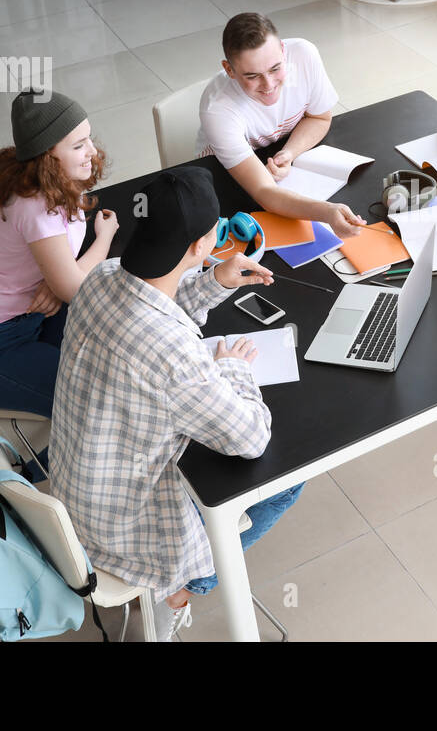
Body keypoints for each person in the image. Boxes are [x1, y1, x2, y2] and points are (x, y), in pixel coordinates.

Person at [49, 166, 303, 641]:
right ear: (200, 245)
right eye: (214, 232)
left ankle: (179, 584)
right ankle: (184, 587)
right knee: (289, 482)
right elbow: (250, 438)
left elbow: (150, 298)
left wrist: (214, 283)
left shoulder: (101, 276)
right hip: (121, 534)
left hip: (71, 494)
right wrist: (234, 369)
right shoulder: (175, 358)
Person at [0, 90, 117, 421]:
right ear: (47, 156)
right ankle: (41, 465)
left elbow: (63, 278)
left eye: (88, 138)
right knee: (96, 401)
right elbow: (75, 290)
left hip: (28, 316)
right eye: (79, 145)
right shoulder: (38, 208)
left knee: (115, 343)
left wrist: (56, 283)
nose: (92, 151)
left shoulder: (40, 179)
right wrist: (104, 240)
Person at [196, 12, 365, 238]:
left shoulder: (304, 54)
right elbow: (264, 192)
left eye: (275, 68)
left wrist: (289, 153)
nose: (269, 85)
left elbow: (320, 118)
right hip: (224, 174)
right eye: (252, 75)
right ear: (229, 70)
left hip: (275, 151)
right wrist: (327, 212)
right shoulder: (218, 109)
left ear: (284, 51)